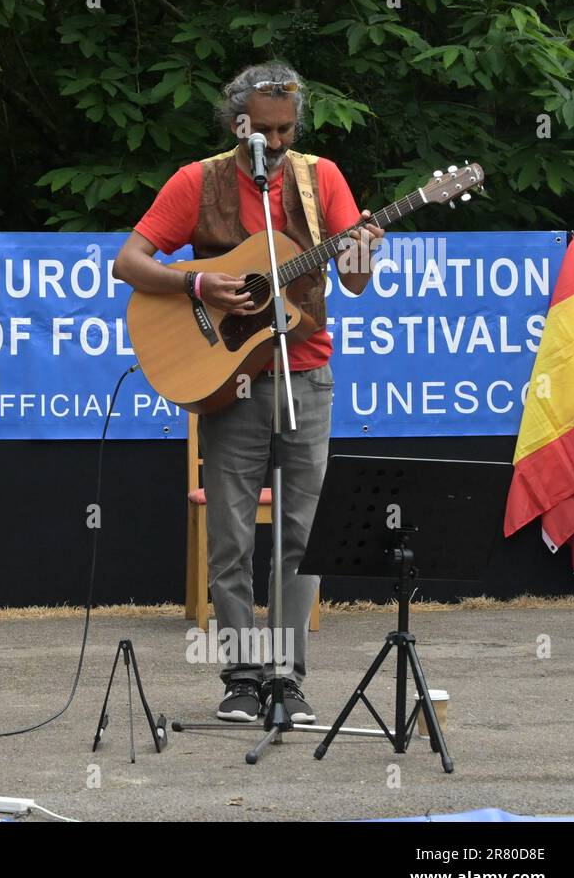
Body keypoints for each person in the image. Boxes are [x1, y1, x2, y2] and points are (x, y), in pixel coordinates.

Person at [113, 62, 385, 724]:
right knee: (232, 537)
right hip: (229, 378)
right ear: (236, 122)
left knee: (301, 535)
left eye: (286, 128)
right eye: (262, 129)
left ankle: (288, 680)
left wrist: (363, 251)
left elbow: (353, 284)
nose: (276, 140)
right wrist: (197, 286)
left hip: (307, 372)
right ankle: (240, 677)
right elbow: (129, 261)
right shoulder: (195, 180)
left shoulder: (322, 179)